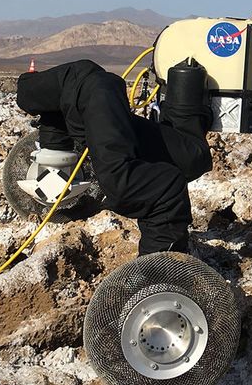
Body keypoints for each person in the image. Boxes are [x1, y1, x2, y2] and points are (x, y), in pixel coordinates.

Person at [15, 59, 212, 255]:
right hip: (97, 91)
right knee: (178, 169)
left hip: (97, 93)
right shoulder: (53, 92)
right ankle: (158, 268)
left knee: (179, 169)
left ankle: (157, 272)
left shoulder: (39, 92)